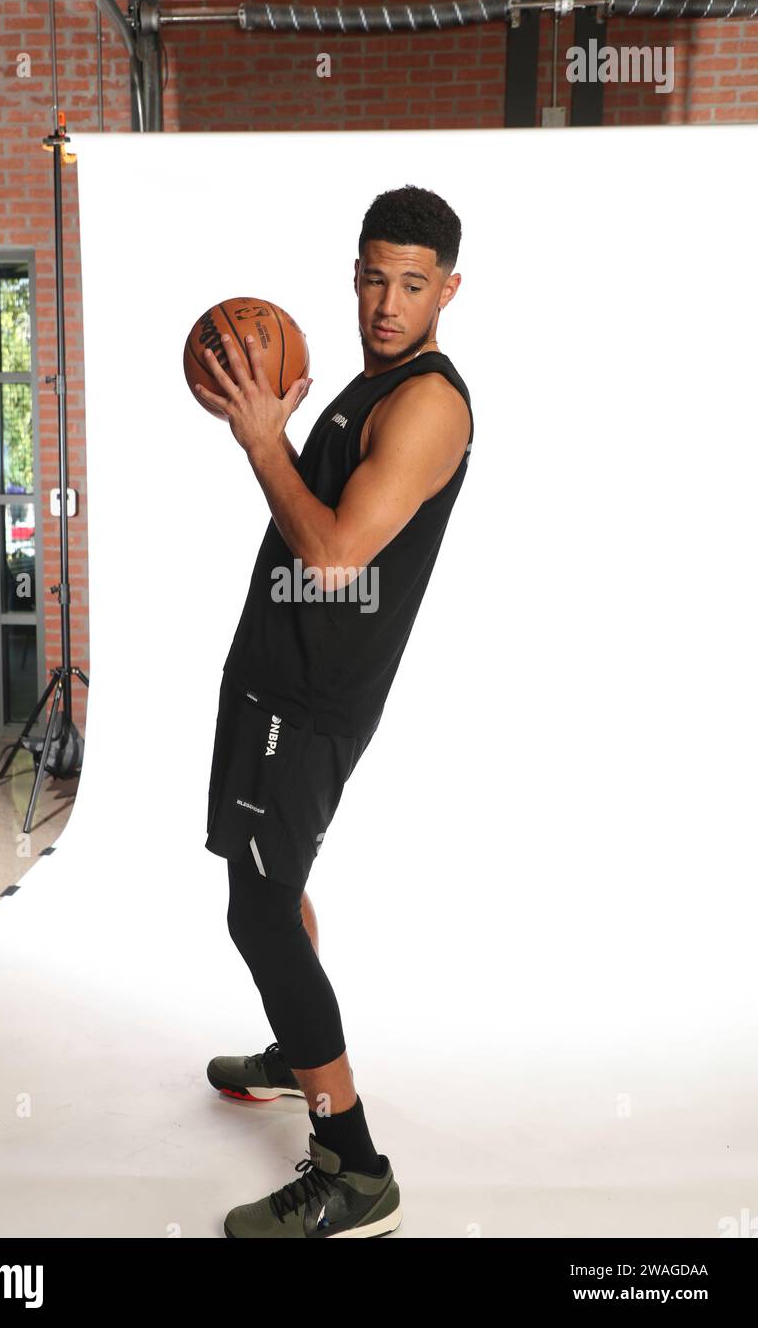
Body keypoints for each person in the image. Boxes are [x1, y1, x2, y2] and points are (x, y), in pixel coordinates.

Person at [196, 184, 474, 1238]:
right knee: (271, 885)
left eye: (410, 283)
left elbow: (333, 555)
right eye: (372, 277)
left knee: (258, 912)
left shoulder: (428, 402)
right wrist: (283, 430)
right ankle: (291, 1050)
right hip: (271, 678)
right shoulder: (366, 387)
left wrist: (262, 440)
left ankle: (352, 1164)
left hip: (311, 701)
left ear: (448, 288)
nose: (385, 302)